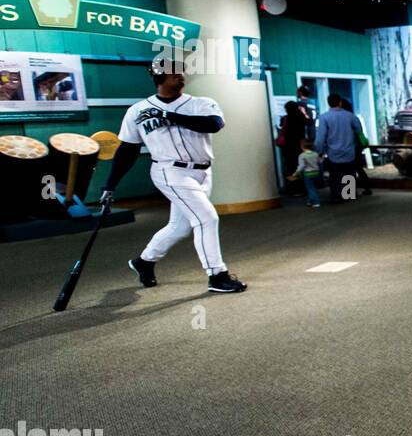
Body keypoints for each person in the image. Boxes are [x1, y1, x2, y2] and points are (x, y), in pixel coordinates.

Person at [99, 57, 247, 293]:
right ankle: (217, 275)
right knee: (207, 218)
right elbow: (127, 150)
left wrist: (169, 117)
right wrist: (110, 185)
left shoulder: (201, 103)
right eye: (174, 73)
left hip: (202, 171)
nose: (180, 76)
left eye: (181, 72)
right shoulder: (137, 111)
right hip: (169, 171)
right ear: (160, 78)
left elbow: (214, 124)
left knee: (179, 227)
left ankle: (144, 262)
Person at [315, 93, 364, 203]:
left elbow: (321, 136)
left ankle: (336, 196)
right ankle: (349, 194)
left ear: (329, 103)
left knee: (335, 176)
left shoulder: (324, 117)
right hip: (349, 151)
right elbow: (359, 131)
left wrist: (320, 151)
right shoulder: (350, 116)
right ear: (340, 102)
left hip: (333, 153)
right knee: (349, 173)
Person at [340, 97, 373, 196]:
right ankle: (365, 188)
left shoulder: (344, 119)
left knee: (349, 169)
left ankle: (350, 191)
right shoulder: (353, 117)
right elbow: (359, 131)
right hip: (357, 146)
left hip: (349, 147)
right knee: (358, 168)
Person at [278, 100, 308, 193]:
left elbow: (281, 128)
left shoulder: (285, 119)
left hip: (288, 146)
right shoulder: (301, 117)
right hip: (300, 146)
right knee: (301, 167)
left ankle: (293, 189)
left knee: (290, 168)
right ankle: (302, 188)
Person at [286, 138, 323, 207]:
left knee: (310, 188)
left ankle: (316, 202)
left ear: (301, 146)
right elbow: (320, 162)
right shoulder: (315, 154)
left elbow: (301, 166)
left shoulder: (302, 156)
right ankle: (310, 201)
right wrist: (322, 157)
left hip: (308, 174)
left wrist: (295, 173)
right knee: (312, 187)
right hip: (316, 173)